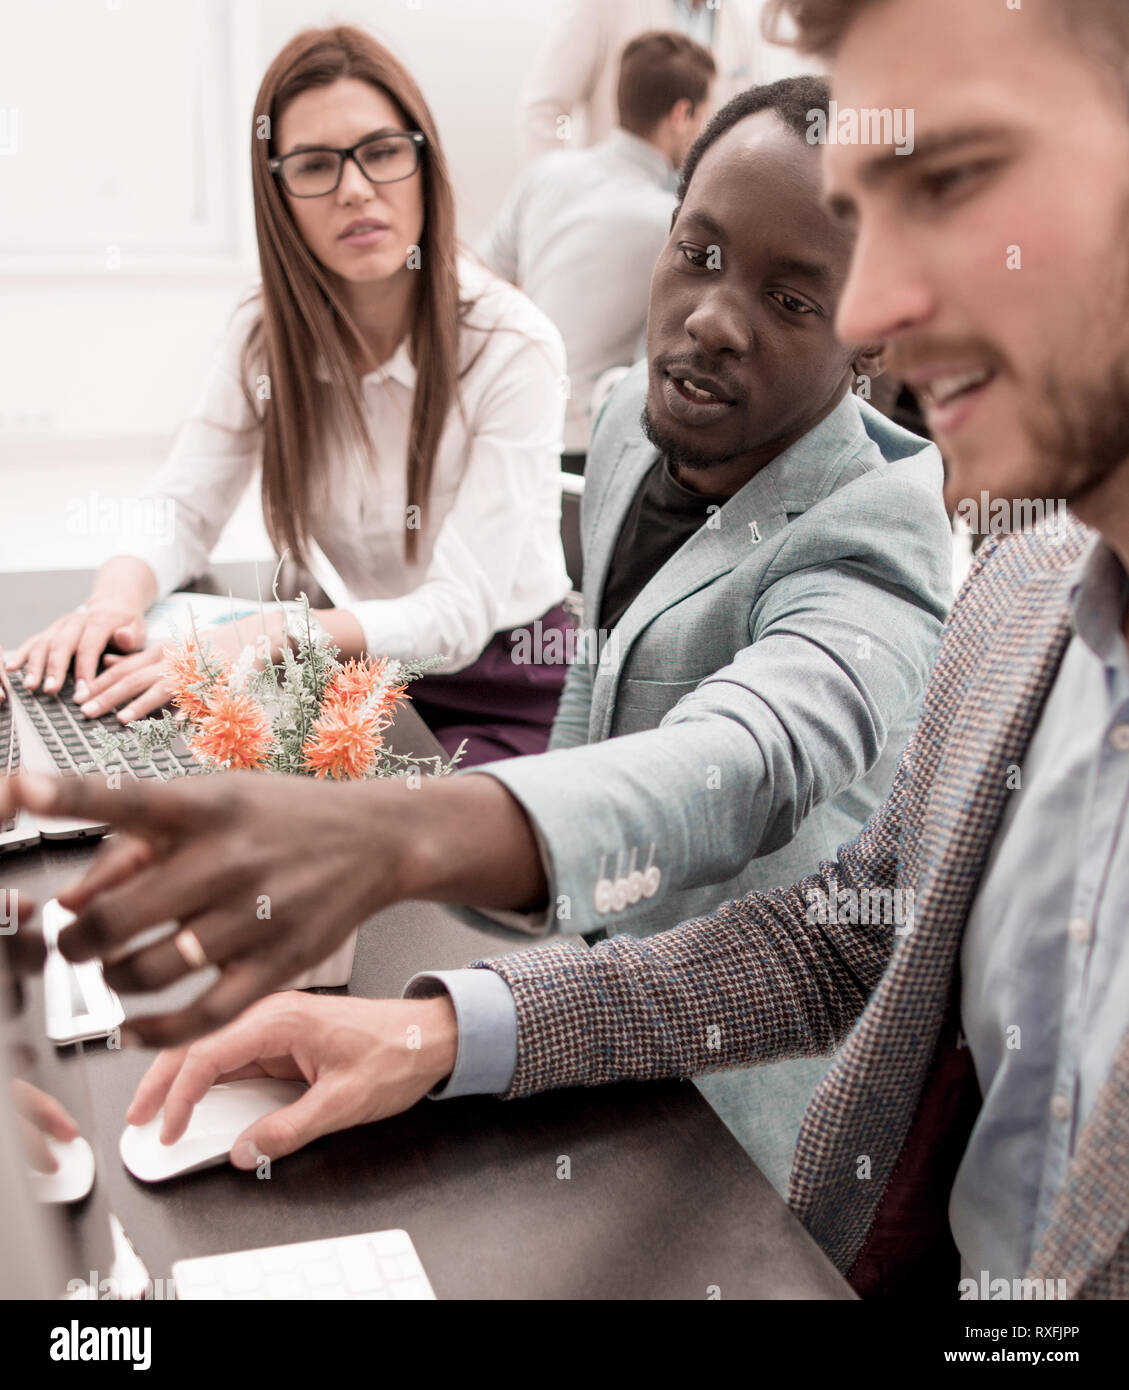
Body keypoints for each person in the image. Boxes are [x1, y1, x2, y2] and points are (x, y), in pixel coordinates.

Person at [17, 0, 1129, 1301]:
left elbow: (747, 755)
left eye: (953, 181)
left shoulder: (884, 545)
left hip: (737, 1133)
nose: (876, 300)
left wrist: (401, 833)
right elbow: (844, 934)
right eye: (697, 252)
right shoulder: (1020, 582)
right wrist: (449, 1027)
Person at [3, 26, 573, 767]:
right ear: (277, 195)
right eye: (313, 165)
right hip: (352, 668)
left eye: (382, 151)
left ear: (423, 161)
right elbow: (183, 502)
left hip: (499, 684)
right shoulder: (262, 334)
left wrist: (267, 633)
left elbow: (456, 615)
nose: (355, 188)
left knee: (380, 869)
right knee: (160, 778)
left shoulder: (511, 343)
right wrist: (113, 600)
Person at [482, 31, 715, 468]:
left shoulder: (545, 174)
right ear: (682, 114)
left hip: (508, 425)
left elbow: (481, 277)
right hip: (588, 450)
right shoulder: (671, 224)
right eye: (705, 115)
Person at [517, 0, 760, 159]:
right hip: (610, 200)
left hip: (696, 219)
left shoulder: (738, 23)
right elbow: (546, 112)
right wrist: (564, 193)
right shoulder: (604, 7)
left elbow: (744, 127)